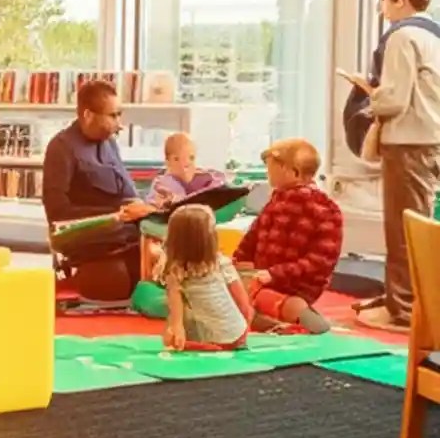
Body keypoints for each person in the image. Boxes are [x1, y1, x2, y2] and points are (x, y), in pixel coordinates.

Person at [346, 0, 440, 333]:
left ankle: (403, 308)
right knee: (419, 224)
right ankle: (404, 299)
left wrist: (369, 93)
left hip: (409, 142)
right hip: (429, 139)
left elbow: (395, 101)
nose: (382, 8)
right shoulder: (434, 33)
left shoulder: (403, 36)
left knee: (403, 230)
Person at [43, 79, 155, 300]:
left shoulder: (109, 143)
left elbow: (128, 193)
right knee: (118, 284)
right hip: (92, 238)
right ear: (88, 115)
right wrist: (116, 215)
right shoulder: (61, 148)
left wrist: (146, 209)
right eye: (112, 116)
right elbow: (57, 213)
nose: (119, 124)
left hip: (129, 233)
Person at [232, 138, 341, 335]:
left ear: (294, 172)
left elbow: (319, 261)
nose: (268, 171)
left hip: (295, 284)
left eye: (274, 166)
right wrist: (238, 260)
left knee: (248, 295)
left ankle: (291, 311)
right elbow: (253, 237)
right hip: (263, 278)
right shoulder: (276, 202)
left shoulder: (324, 210)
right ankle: (265, 315)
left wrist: (276, 273)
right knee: (224, 284)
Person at [156, 205, 251, 351]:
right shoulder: (222, 262)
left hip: (216, 337)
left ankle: (203, 344)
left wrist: (175, 330)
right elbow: (244, 305)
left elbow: (175, 310)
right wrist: (242, 330)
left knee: (169, 338)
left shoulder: (174, 271)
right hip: (238, 333)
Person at [146, 132, 227, 207]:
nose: (184, 164)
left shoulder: (204, 177)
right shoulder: (162, 183)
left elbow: (220, 183)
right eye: (176, 159)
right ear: (167, 162)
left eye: (191, 158)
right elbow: (152, 204)